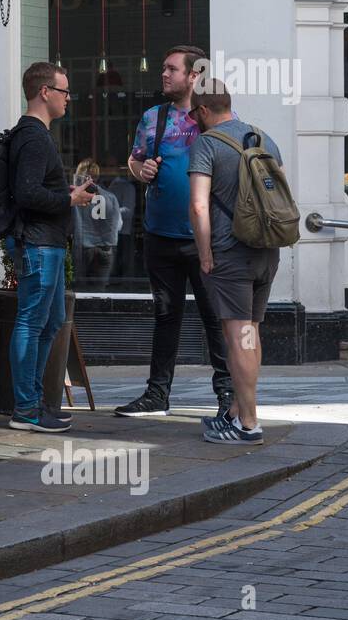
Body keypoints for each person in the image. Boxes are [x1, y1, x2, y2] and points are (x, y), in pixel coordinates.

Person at [115, 46, 235, 420]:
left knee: (214, 317)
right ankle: (157, 394)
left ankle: (228, 396)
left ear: (194, 75)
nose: (163, 74)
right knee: (165, 315)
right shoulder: (155, 117)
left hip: (206, 238)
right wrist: (140, 171)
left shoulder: (215, 120)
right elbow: (133, 161)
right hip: (159, 235)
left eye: (171, 69)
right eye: (164, 68)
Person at [188, 78, 283, 444]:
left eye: (195, 113)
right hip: (266, 251)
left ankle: (248, 422)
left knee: (237, 336)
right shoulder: (263, 138)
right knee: (251, 332)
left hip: (231, 254)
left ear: (203, 110)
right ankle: (237, 411)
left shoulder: (207, 144)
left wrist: (205, 252)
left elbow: (198, 205)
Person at [7, 62, 96, 433]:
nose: (68, 99)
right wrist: (68, 199)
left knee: (52, 320)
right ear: (45, 92)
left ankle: (38, 401)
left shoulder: (37, 134)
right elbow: (25, 193)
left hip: (50, 244)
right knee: (30, 322)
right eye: (64, 91)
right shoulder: (32, 136)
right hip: (39, 244)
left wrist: (66, 196)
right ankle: (25, 409)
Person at [72, 158, 122, 289]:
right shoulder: (110, 197)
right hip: (105, 248)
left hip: (84, 247)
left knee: (80, 289)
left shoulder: (75, 198)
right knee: (100, 291)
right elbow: (119, 224)